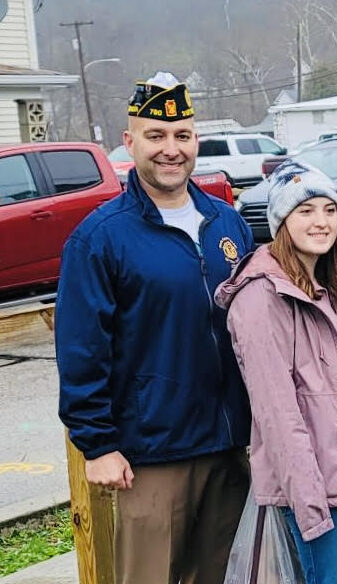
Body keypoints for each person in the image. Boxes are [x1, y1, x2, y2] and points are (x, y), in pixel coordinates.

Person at [55, 72, 252, 584]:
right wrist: (96, 443)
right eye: (156, 136)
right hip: (151, 455)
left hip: (231, 448)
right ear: (129, 142)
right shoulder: (100, 238)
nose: (171, 149)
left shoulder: (226, 223)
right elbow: (82, 349)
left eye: (182, 136)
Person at [216, 161, 337, 584]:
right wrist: (309, 505)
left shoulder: (331, 284)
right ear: (281, 222)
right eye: (306, 211)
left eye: (329, 210)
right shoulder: (260, 300)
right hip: (319, 485)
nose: (321, 221)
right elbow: (277, 414)